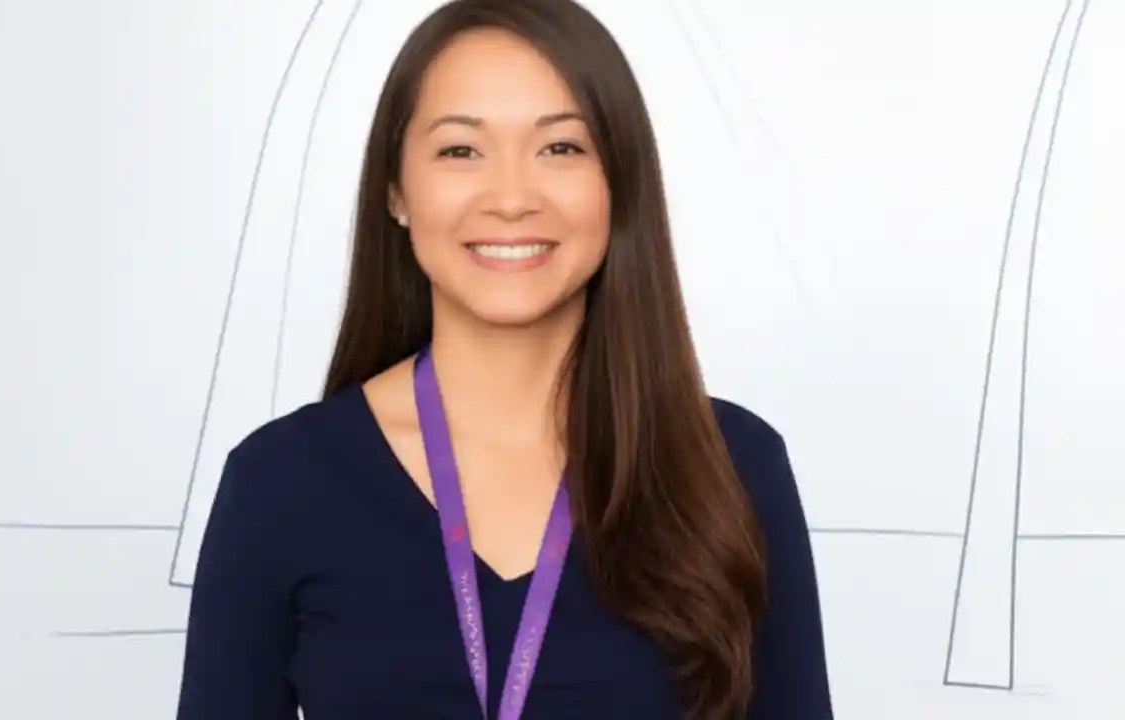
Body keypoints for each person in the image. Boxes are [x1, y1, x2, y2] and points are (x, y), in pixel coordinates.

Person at [176, 0, 833, 717]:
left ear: (619, 183)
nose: (512, 198)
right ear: (395, 190)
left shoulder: (733, 467)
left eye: (561, 148)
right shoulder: (280, 482)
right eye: (461, 150)